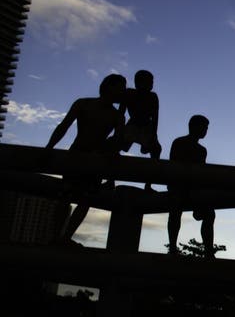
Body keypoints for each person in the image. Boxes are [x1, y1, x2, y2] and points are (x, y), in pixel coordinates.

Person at [45, 74, 127, 245]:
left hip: (96, 159)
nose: (123, 91)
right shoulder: (84, 104)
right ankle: (57, 237)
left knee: (85, 200)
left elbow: (117, 142)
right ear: (109, 86)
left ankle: (65, 237)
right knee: (66, 196)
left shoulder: (117, 116)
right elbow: (64, 126)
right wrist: (49, 147)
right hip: (78, 154)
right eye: (121, 87)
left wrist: (111, 171)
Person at [167, 115, 216, 257]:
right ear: (193, 126)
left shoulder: (202, 150)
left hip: (195, 189)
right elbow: (173, 166)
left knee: (210, 213)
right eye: (204, 127)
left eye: (207, 128)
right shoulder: (179, 143)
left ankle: (208, 251)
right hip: (179, 187)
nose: (206, 130)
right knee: (175, 211)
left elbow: (202, 172)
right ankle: (172, 247)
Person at [120, 69, 162, 190]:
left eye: (152, 82)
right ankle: (110, 179)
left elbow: (155, 119)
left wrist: (153, 136)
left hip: (146, 127)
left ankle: (148, 184)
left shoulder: (153, 97)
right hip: (132, 124)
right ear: (138, 82)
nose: (152, 84)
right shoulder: (129, 93)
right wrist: (118, 132)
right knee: (114, 145)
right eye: (149, 81)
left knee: (156, 149)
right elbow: (120, 114)